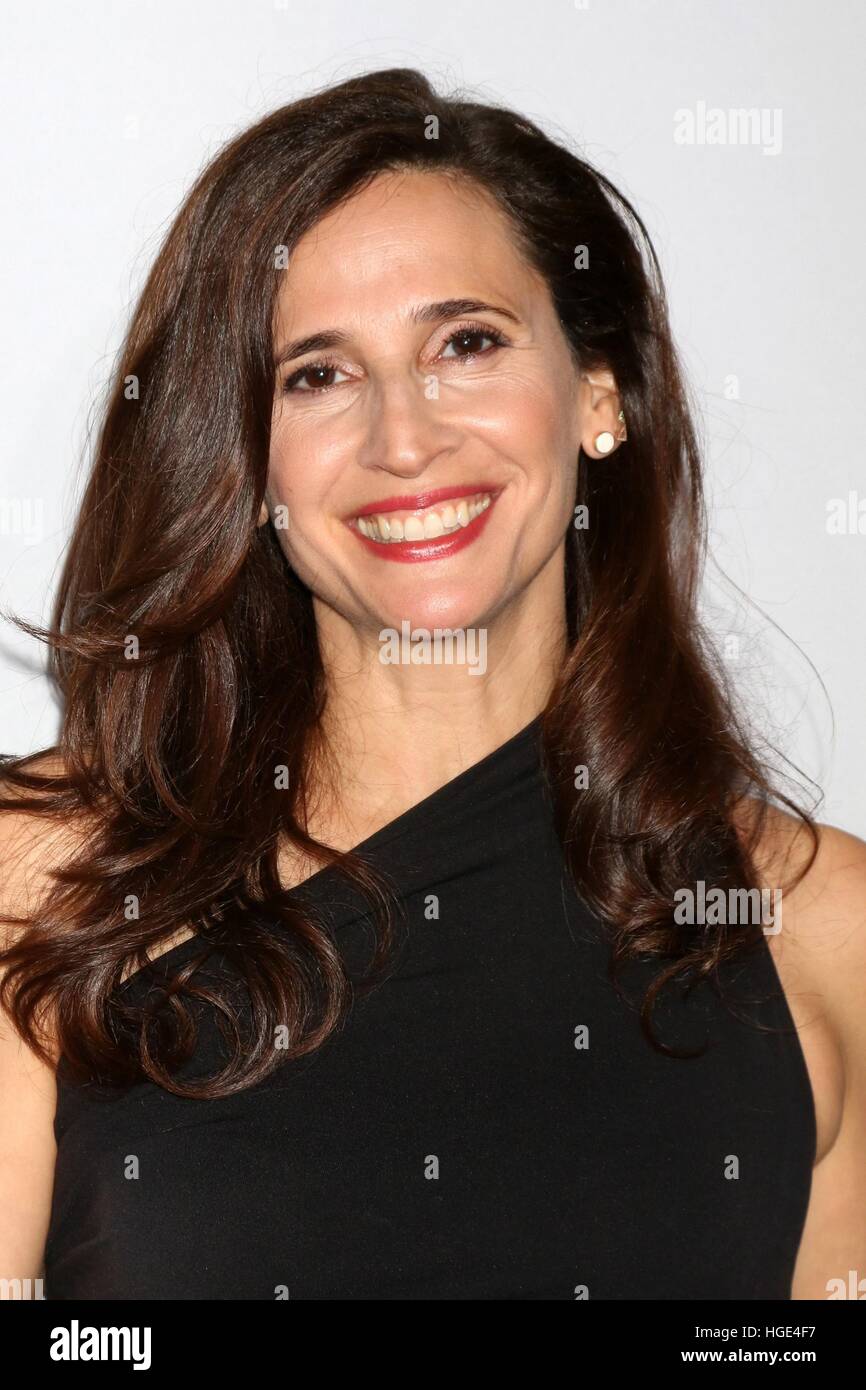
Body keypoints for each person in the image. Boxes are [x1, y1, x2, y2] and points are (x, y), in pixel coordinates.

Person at [1, 67, 864, 1301]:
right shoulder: (41, 879)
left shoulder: (824, 927)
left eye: (465, 343)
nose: (402, 438)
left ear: (599, 396)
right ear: (246, 462)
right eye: (317, 374)